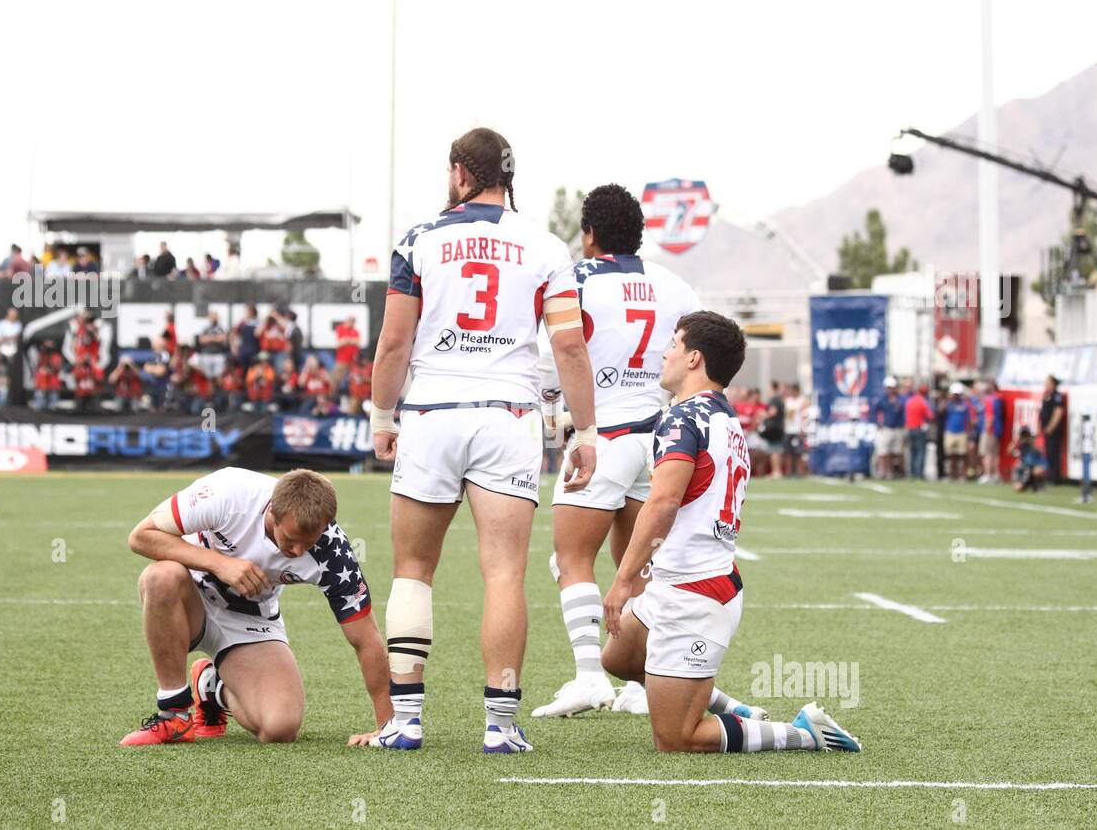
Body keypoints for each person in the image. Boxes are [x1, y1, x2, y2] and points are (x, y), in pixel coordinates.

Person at [369, 127, 596, 753]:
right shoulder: (546, 246)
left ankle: (406, 720)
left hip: (432, 411)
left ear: (460, 173)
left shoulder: (419, 239)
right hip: (508, 414)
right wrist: (586, 430)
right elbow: (570, 345)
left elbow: (393, 343)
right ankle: (500, 726)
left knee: (414, 570)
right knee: (504, 574)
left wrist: (381, 418)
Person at [530, 183, 765, 722]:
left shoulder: (577, 278)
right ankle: (641, 679)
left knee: (570, 559)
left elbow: (554, 357)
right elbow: (690, 350)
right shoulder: (673, 284)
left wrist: (551, 415)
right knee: (636, 561)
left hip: (603, 436)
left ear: (588, 233)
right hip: (657, 434)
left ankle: (591, 674)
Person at [601, 311, 860, 755]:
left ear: (693, 358)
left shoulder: (685, 419)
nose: (665, 352)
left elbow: (663, 503)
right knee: (619, 658)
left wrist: (624, 580)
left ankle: (802, 734)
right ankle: (734, 708)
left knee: (677, 738)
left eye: (674, 344)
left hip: (694, 592)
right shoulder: (721, 416)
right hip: (686, 578)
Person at [120, 467, 390, 746]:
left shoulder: (333, 554)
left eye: (308, 543)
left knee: (279, 729)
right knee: (160, 577)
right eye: (291, 539)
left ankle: (211, 688)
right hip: (190, 598)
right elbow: (140, 536)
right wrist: (221, 564)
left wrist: (386, 727)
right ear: (272, 512)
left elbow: (366, 640)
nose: (298, 551)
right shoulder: (228, 492)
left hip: (250, 619)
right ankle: (173, 714)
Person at [872, 376, 906, 479]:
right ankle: (883, 472)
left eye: (892, 388)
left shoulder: (900, 399)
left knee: (895, 453)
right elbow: (874, 411)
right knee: (883, 452)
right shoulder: (882, 399)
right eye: (888, 388)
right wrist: (878, 424)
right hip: (886, 428)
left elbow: (903, 412)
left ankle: (893, 472)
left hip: (898, 428)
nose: (890, 390)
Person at [1038, 374, 1066, 485]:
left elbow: (1058, 412)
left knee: (1054, 453)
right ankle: (1050, 475)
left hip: (1053, 430)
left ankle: (1055, 477)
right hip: (1046, 429)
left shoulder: (1056, 396)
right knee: (1048, 453)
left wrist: (1051, 426)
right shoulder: (1046, 395)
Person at [942, 383, 972, 482]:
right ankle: (952, 475)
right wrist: (947, 399)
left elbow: (970, 419)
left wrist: (969, 431)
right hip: (950, 431)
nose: (956, 396)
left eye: (957, 394)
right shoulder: (948, 404)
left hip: (962, 431)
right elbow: (940, 410)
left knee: (963, 455)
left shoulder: (965, 404)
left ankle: (962, 475)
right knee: (951, 455)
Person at [976, 381, 1004, 483]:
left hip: (989, 430)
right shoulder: (997, 399)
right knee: (995, 454)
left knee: (987, 453)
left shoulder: (988, 401)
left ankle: (988, 474)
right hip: (997, 430)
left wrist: (987, 430)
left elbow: (989, 417)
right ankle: (996, 475)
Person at [904, 382, 933, 479]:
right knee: (921, 451)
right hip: (919, 429)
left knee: (913, 451)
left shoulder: (910, 401)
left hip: (910, 428)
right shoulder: (923, 402)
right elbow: (930, 416)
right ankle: (919, 473)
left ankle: (912, 472)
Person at [1008, 428, 1048, 493]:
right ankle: (1027, 485)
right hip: (1025, 470)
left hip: (1034, 468)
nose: (1025, 438)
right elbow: (1009, 451)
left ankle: (1039, 485)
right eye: (1023, 436)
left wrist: (1031, 442)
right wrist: (1017, 441)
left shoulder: (1033, 443)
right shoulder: (1021, 445)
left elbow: (1041, 451)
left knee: (1038, 470)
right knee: (1017, 488)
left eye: (1026, 436)